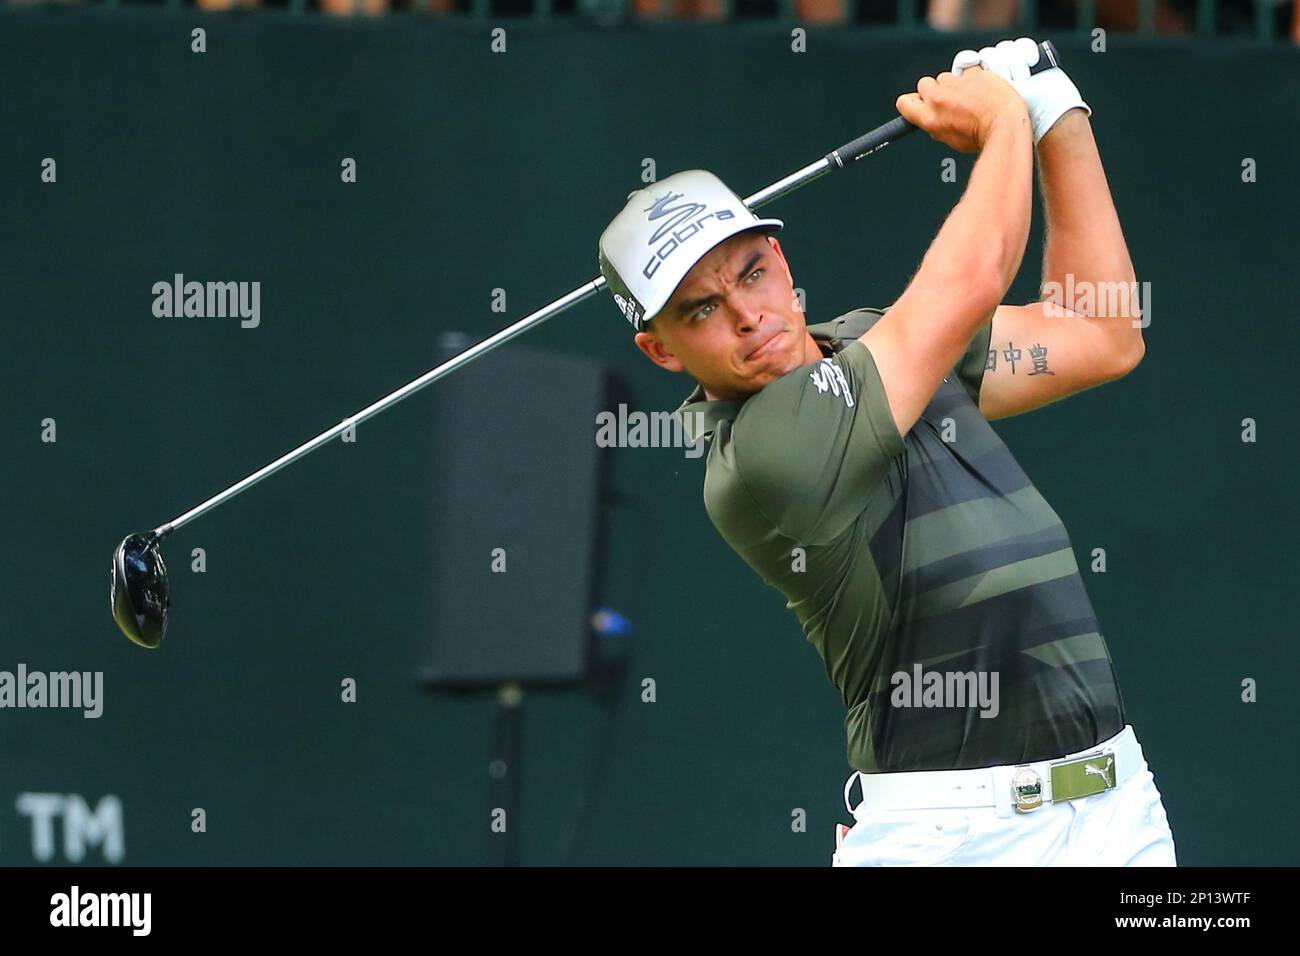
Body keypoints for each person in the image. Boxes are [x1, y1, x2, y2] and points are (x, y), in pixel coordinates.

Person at [597, 37, 1176, 866]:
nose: (747, 315)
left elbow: (1101, 333)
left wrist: (1057, 112)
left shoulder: (875, 343)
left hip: (1115, 807)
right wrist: (1004, 123)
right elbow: (974, 277)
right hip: (952, 837)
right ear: (661, 351)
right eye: (700, 310)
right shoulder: (760, 457)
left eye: (751, 273)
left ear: (780, 259)